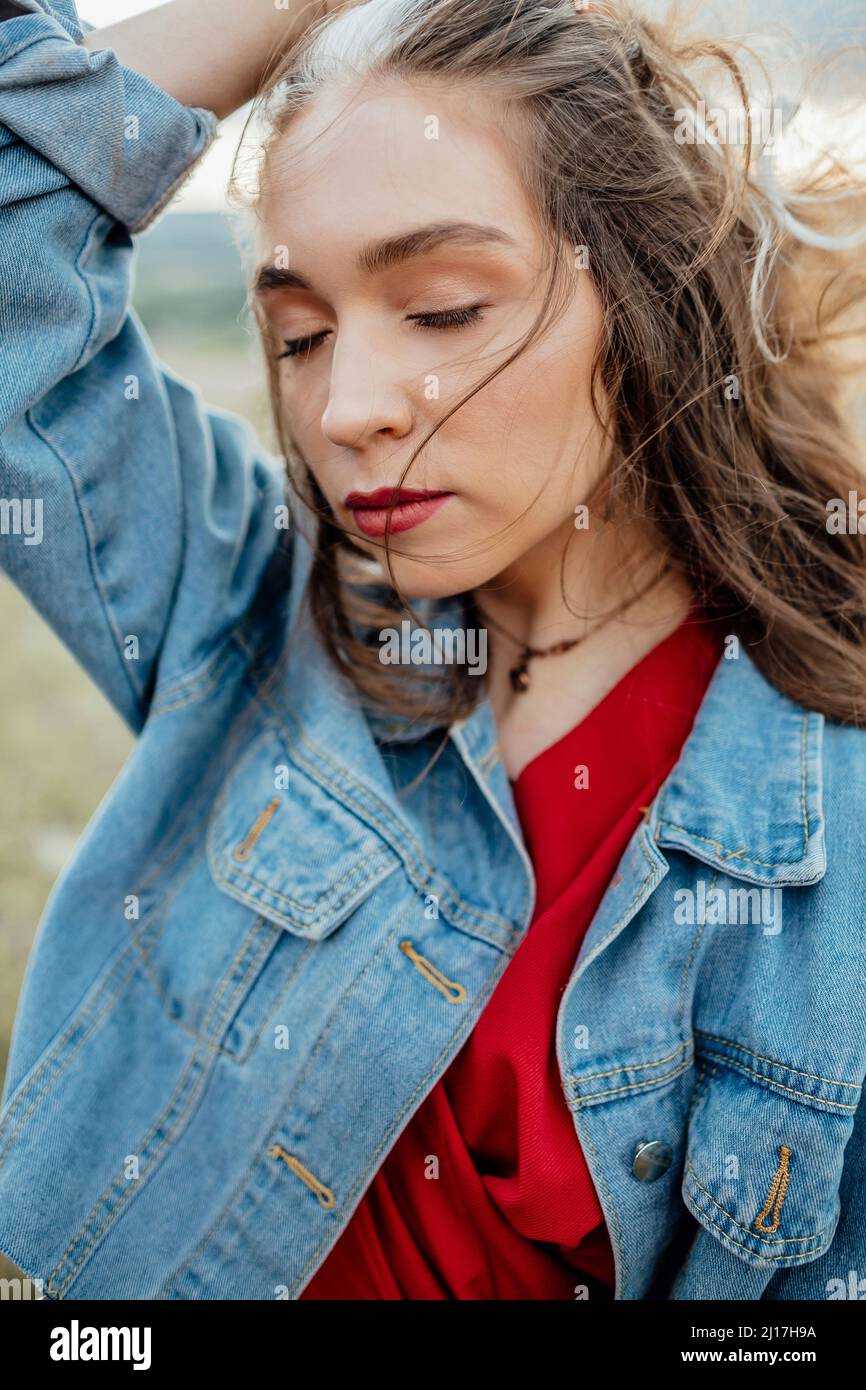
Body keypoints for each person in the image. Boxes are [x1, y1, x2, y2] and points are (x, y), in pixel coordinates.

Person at [1, 0, 865, 1302]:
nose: (344, 409)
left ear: (641, 294)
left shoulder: (836, 805)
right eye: (299, 335)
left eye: (445, 309)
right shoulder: (252, 617)